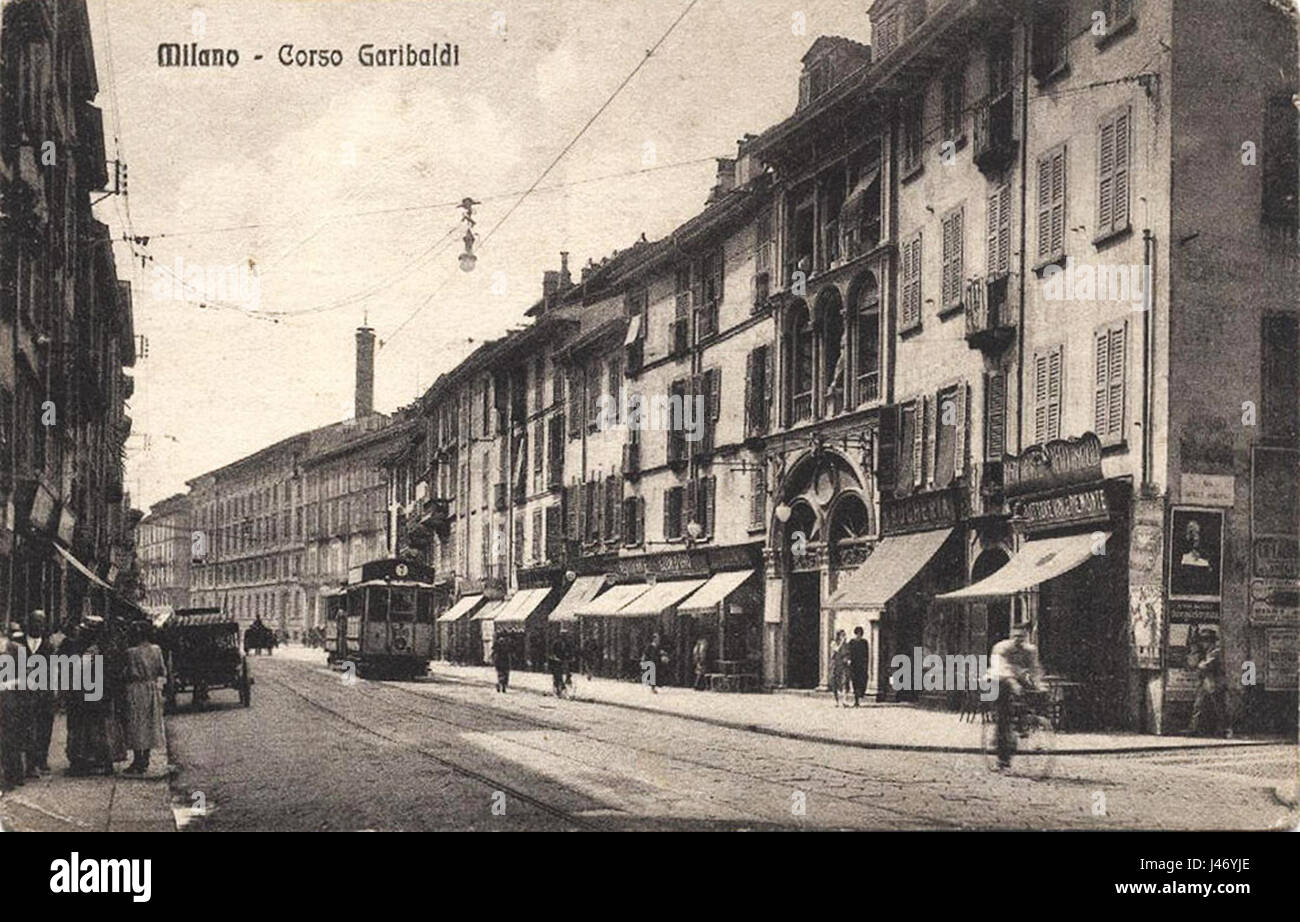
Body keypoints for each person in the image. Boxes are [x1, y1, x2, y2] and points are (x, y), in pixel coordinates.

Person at [989, 623, 1044, 770]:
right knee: (1004, 717)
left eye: (1022, 637)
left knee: (1037, 696)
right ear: (1011, 635)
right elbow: (1002, 667)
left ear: (1026, 637)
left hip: (1019, 679)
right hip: (1000, 679)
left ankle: (1028, 723)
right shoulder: (1001, 648)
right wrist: (1013, 682)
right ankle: (1003, 760)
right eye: (1016, 636)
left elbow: (1034, 668)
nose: (1018, 640)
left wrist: (1038, 683)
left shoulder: (1030, 650)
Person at [122, 621, 167, 774]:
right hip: (151, 688)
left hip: (135, 689)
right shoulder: (156, 650)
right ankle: (146, 758)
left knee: (136, 723)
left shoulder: (130, 652)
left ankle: (138, 759)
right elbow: (162, 670)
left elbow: (126, 672)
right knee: (149, 723)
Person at [23, 611, 59, 776]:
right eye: (34, 622)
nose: (37, 625)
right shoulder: (19, 643)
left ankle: (41, 759)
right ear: (28, 623)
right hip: (23, 693)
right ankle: (29, 762)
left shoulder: (49, 646)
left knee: (45, 726)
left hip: (44, 693)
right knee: (27, 727)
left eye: (41, 623)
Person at [0, 624, 28, 788]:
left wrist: (8, 684)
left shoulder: (17, 649)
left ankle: (14, 775)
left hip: (10, 701)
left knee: (10, 739)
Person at [1189, 626, 1225, 737]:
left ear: (1211, 642)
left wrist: (1199, 660)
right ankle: (1194, 729)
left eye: (1206, 640)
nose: (1203, 643)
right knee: (1198, 706)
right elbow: (1193, 663)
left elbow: (1203, 666)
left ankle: (1224, 730)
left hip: (1215, 683)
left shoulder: (1216, 651)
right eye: (1203, 641)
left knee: (1218, 708)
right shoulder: (1206, 652)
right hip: (1206, 683)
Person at [845, 626, 870, 707]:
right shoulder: (852, 642)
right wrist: (849, 660)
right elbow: (848, 652)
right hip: (854, 665)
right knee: (855, 682)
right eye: (857, 633)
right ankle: (856, 701)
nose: (859, 634)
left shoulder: (864, 642)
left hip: (861, 666)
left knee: (861, 681)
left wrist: (866, 665)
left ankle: (859, 696)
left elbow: (866, 655)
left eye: (860, 633)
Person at [829, 629, 849, 707]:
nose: (844, 637)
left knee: (844, 682)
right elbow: (836, 650)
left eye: (844, 635)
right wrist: (841, 643)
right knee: (835, 682)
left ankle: (844, 700)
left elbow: (847, 653)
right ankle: (836, 701)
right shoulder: (833, 643)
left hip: (843, 665)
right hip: (835, 665)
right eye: (842, 635)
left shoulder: (846, 645)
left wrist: (847, 659)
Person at [548, 632, 571, 698]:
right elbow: (552, 652)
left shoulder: (567, 644)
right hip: (555, 662)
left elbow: (569, 651)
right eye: (563, 636)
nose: (564, 637)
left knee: (567, 673)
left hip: (563, 661)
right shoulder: (556, 643)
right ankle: (557, 690)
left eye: (565, 636)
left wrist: (569, 657)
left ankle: (564, 687)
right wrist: (555, 658)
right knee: (557, 676)